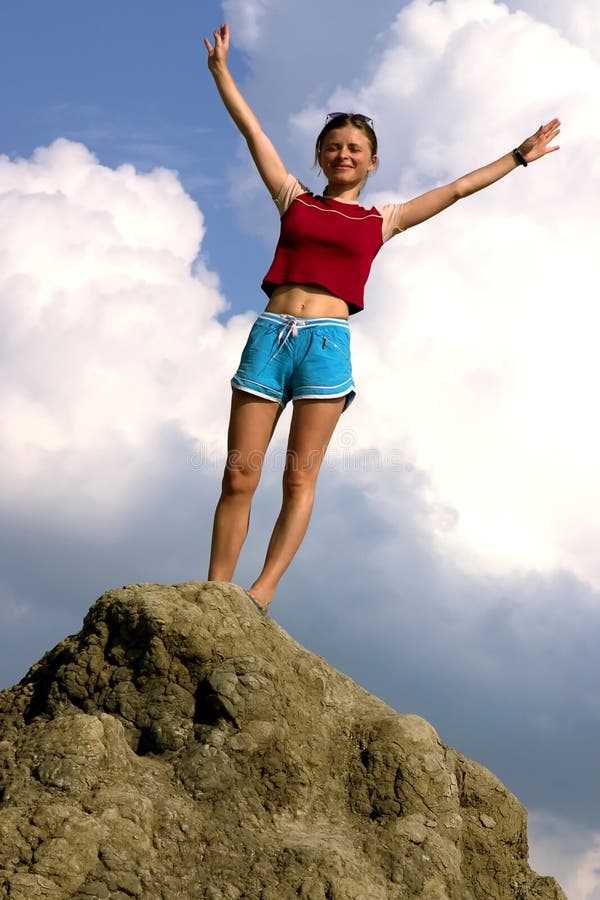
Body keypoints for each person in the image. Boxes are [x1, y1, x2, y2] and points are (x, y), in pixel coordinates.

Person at [203, 22, 560, 617]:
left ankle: (261, 592)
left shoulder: (381, 220)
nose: (343, 155)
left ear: (371, 162)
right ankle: (213, 593)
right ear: (321, 155)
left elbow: (457, 189)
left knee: (298, 480)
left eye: (355, 149)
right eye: (333, 146)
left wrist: (520, 156)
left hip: (327, 346)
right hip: (269, 338)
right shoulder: (294, 197)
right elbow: (253, 131)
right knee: (239, 475)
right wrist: (221, 74)